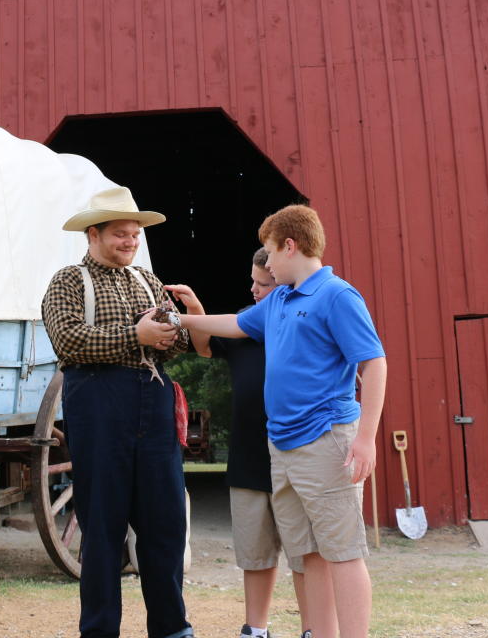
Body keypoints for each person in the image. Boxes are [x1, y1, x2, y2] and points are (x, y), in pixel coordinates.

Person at [178, 205, 387, 638]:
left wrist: (366, 439)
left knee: (343, 553)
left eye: (271, 253)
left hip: (327, 441)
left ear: (291, 246)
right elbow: (234, 324)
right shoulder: (280, 300)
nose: (267, 264)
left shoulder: (337, 295)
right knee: (309, 555)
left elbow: (375, 364)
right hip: (282, 448)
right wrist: (179, 319)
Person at [41, 186, 194, 638]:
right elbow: (67, 340)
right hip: (99, 406)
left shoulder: (147, 280)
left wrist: (170, 335)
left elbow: (177, 341)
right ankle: (100, 630)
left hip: (154, 401)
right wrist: (137, 336)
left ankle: (171, 630)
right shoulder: (68, 281)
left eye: (134, 235)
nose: (130, 242)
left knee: (165, 525)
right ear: (93, 234)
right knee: (103, 528)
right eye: (120, 234)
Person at [167, 249, 332, 638]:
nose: (254, 290)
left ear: (287, 284)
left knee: (305, 555)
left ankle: (313, 630)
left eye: (264, 284)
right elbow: (205, 346)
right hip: (248, 456)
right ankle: (254, 630)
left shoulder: (303, 323)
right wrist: (194, 308)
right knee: (255, 555)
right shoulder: (245, 323)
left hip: (297, 453)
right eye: (254, 282)